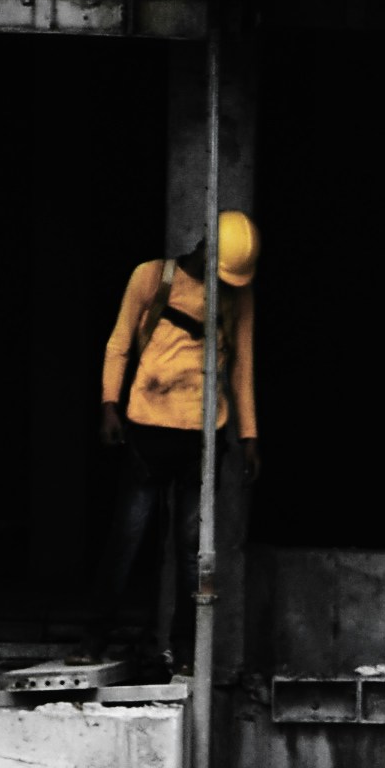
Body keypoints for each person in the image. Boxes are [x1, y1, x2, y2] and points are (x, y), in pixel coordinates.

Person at [95, 216, 261, 679]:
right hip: (148, 429)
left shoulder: (238, 295)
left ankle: (184, 649)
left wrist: (249, 436)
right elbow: (119, 343)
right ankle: (97, 636)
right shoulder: (152, 276)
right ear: (206, 250)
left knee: (192, 551)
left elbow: (242, 367)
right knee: (127, 538)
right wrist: (109, 404)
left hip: (204, 440)